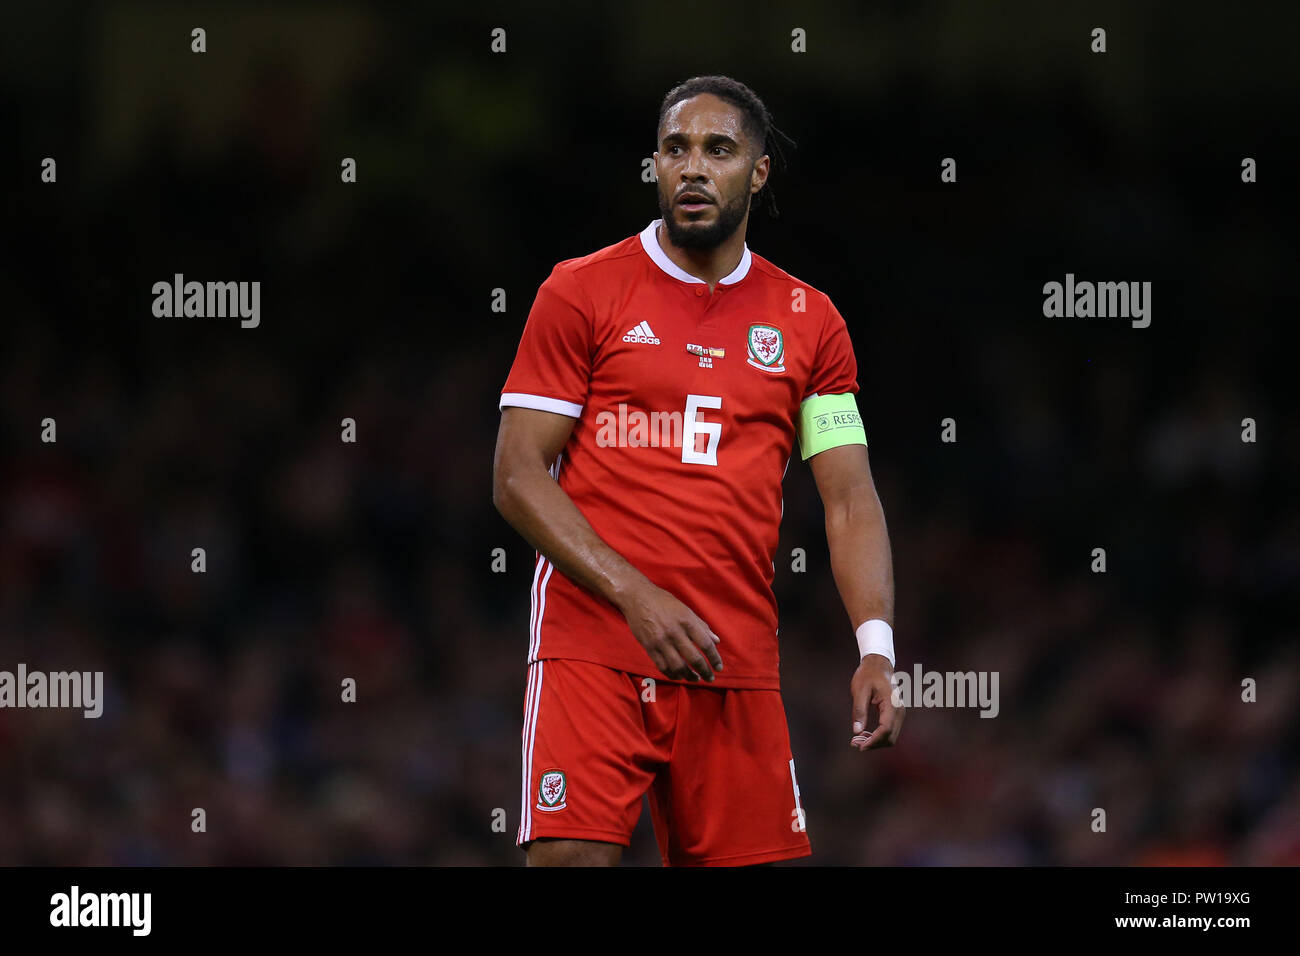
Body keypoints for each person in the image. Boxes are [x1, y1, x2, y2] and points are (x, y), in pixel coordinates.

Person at [493, 75, 902, 867]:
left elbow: (849, 498)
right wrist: (633, 593)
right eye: (675, 149)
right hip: (595, 645)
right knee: (569, 859)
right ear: (653, 164)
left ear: (757, 172)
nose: (692, 167)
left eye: (719, 150)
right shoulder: (580, 291)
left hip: (733, 658)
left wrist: (876, 647)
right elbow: (516, 475)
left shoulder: (810, 323)